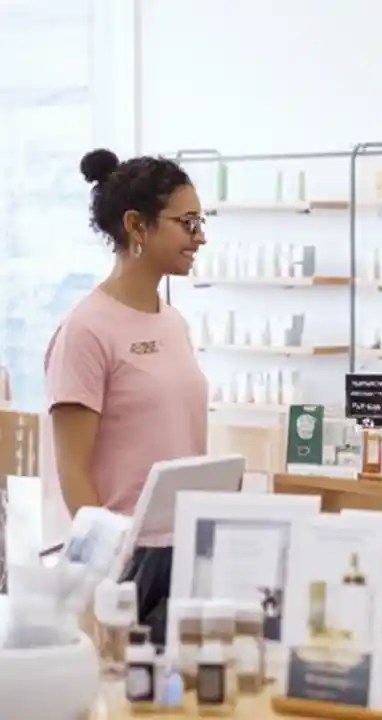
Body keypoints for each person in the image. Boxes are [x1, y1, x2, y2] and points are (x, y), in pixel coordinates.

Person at [44, 149, 209, 642]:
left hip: (185, 547)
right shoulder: (86, 331)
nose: (200, 237)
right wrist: (109, 571)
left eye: (201, 222)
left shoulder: (173, 323)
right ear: (137, 225)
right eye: (187, 222)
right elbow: (73, 472)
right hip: (125, 560)